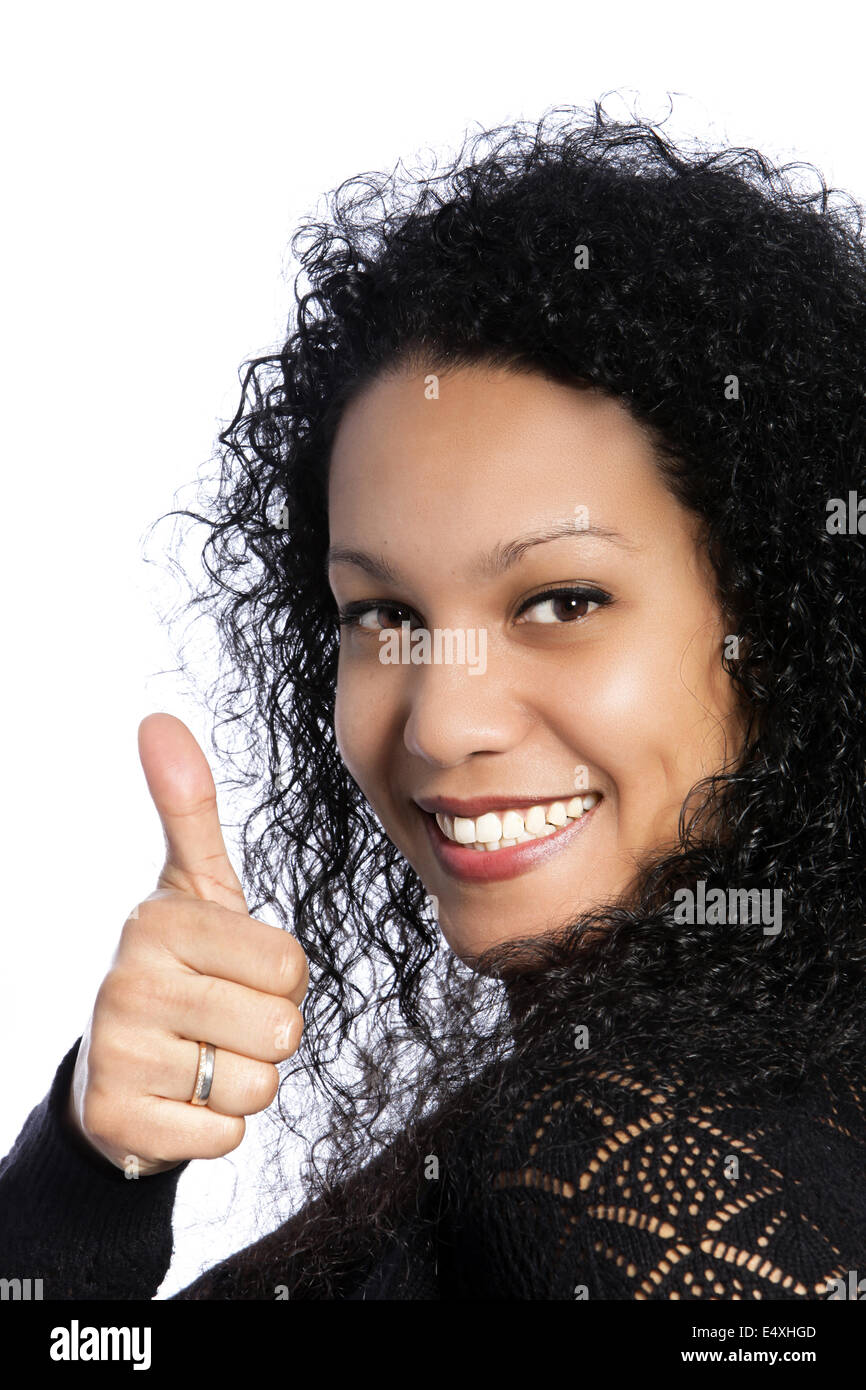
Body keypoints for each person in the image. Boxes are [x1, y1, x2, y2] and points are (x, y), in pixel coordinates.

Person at [2, 100, 865, 1301]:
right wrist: (96, 1167)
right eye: (383, 615)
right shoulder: (692, 1084)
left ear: (775, 620)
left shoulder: (614, 1154)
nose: (442, 723)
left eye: (561, 601)